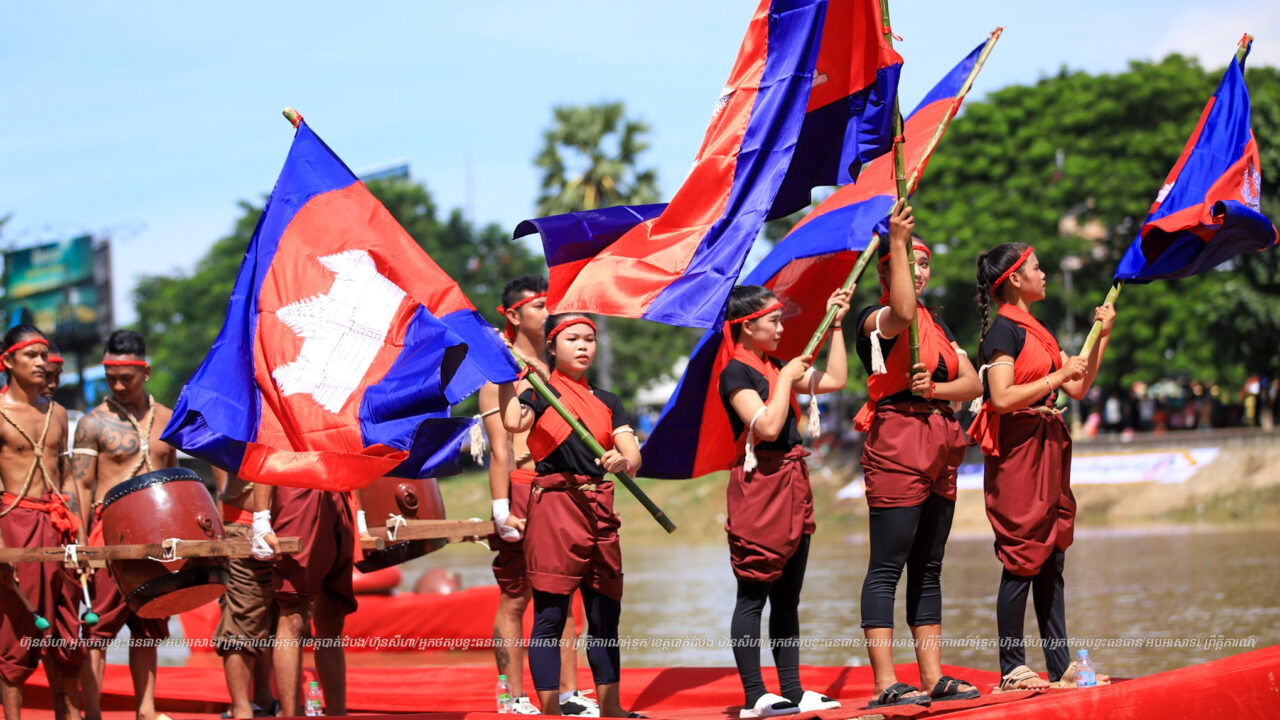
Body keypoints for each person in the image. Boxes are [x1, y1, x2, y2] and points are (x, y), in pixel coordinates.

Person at [852, 204, 982, 708]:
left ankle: (932, 677)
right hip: (897, 444)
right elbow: (901, 313)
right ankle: (886, 682)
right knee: (887, 566)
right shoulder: (874, 319)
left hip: (941, 443)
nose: (920, 272)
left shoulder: (940, 323)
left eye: (925, 263)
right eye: (911, 262)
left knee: (930, 567)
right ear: (885, 269)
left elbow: (971, 385)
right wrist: (898, 241)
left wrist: (938, 387)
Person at [968, 243, 1115, 690]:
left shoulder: (1039, 329)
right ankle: (1012, 667)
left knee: (1052, 554)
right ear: (1014, 278)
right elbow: (1002, 397)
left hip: (1049, 444)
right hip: (1018, 450)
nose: (1044, 273)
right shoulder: (1004, 332)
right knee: (1021, 554)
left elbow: (1078, 387)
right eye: (1036, 267)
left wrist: (1102, 334)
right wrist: (1054, 376)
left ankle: (1061, 666)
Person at [498, 313, 641, 719]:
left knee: (605, 614)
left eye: (590, 339)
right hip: (556, 509)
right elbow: (513, 422)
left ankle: (611, 708)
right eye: (573, 339)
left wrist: (622, 461)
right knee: (550, 614)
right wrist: (505, 377)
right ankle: (550, 711)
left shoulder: (608, 400)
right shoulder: (541, 392)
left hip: (599, 509)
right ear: (552, 347)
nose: (583, 346)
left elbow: (632, 452)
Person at [718, 285, 850, 718]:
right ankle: (755, 693)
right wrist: (787, 381)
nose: (779, 327)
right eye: (772, 320)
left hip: (792, 483)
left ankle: (791, 689)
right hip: (760, 487)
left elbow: (835, 380)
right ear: (746, 325)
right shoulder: (735, 373)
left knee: (789, 596)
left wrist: (835, 326)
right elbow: (769, 427)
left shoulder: (776, 366)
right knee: (753, 594)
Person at [478, 276, 594, 716]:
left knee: (564, 595)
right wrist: (500, 509)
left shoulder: (556, 366)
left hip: (562, 490)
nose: (549, 312)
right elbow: (501, 448)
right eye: (541, 305)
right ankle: (510, 696)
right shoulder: (499, 371)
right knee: (516, 597)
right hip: (523, 488)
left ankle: (569, 693)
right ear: (513, 314)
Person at [73, 330, 177, 720]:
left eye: (126, 378)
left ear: (145, 371)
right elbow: (80, 485)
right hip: (106, 535)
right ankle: (92, 712)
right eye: (110, 377)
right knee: (97, 628)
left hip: (157, 537)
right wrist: (81, 542)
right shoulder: (92, 423)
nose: (117, 385)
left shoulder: (168, 418)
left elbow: (175, 479)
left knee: (149, 624)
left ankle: (146, 710)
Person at [0, 326, 83, 720]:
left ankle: (67, 715)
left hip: (57, 524)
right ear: (7, 362)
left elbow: (66, 476)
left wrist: (78, 531)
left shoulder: (59, 413)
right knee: (16, 633)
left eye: (44, 355)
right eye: (31, 355)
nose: (41, 362)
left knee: (67, 631)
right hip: (13, 524)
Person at [251, 474, 357, 717]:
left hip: (339, 487)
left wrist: (358, 514)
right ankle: (290, 714)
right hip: (295, 487)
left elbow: (351, 444)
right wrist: (261, 519)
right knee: (293, 614)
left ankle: (337, 715)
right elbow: (265, 451)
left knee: (333, 617)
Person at [212, 467, 276, 719]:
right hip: (243, 528)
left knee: (274, 619)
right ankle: (241, 707)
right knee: (242, 618)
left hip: (289, 523)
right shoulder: (235, 426)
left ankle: (263, 697)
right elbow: (222, 488)